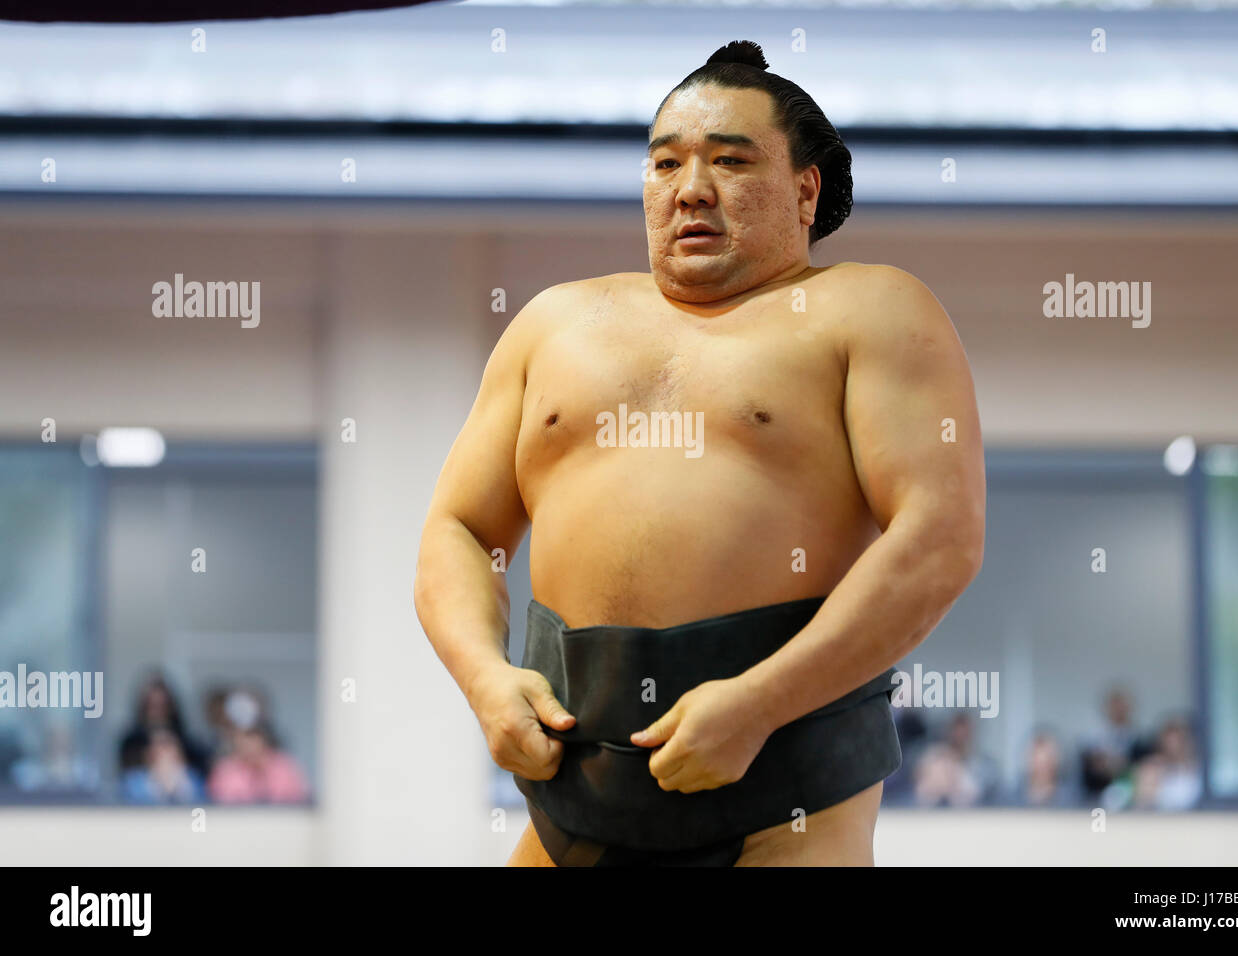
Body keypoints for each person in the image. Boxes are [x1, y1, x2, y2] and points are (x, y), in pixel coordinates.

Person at [414, 40, 985, 866]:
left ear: (804, 188)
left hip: (788, 797)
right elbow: (458, 530)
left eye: (729, 162)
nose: (691, 189)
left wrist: (760, 702)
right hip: (576, 791)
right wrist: (485, 679)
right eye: (665, 164)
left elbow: (941, 537)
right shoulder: (552, 324)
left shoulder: (869, 310)